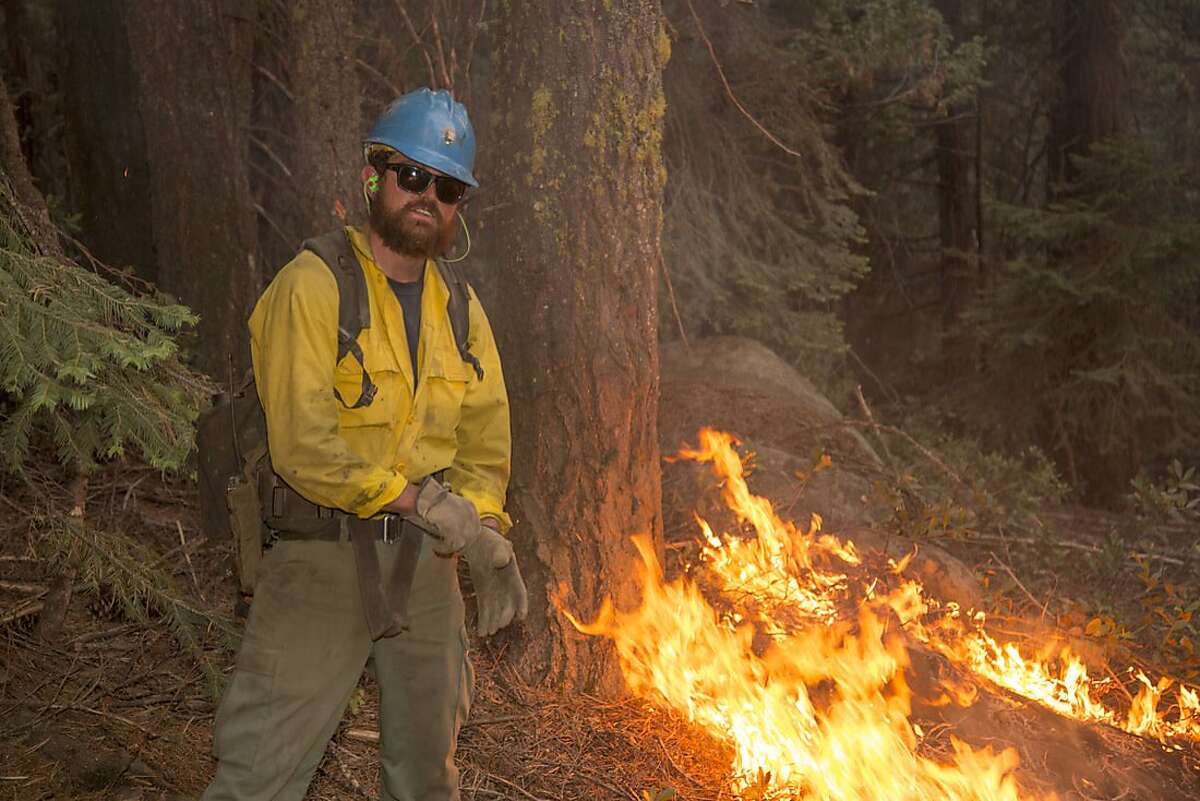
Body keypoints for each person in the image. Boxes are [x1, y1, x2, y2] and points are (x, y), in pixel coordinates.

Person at [202, 88, 527, 801]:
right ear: (373, 175)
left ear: (458, 208)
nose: (427, 196)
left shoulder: (463, 312)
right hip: (322, 553)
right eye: (412, 175)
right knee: (260, 771)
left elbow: (484, 444)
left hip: (427, 568)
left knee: (426, 776)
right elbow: (303, 444)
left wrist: (482, 531)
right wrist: (420, 499)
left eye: (446, 186)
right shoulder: (313, 286)